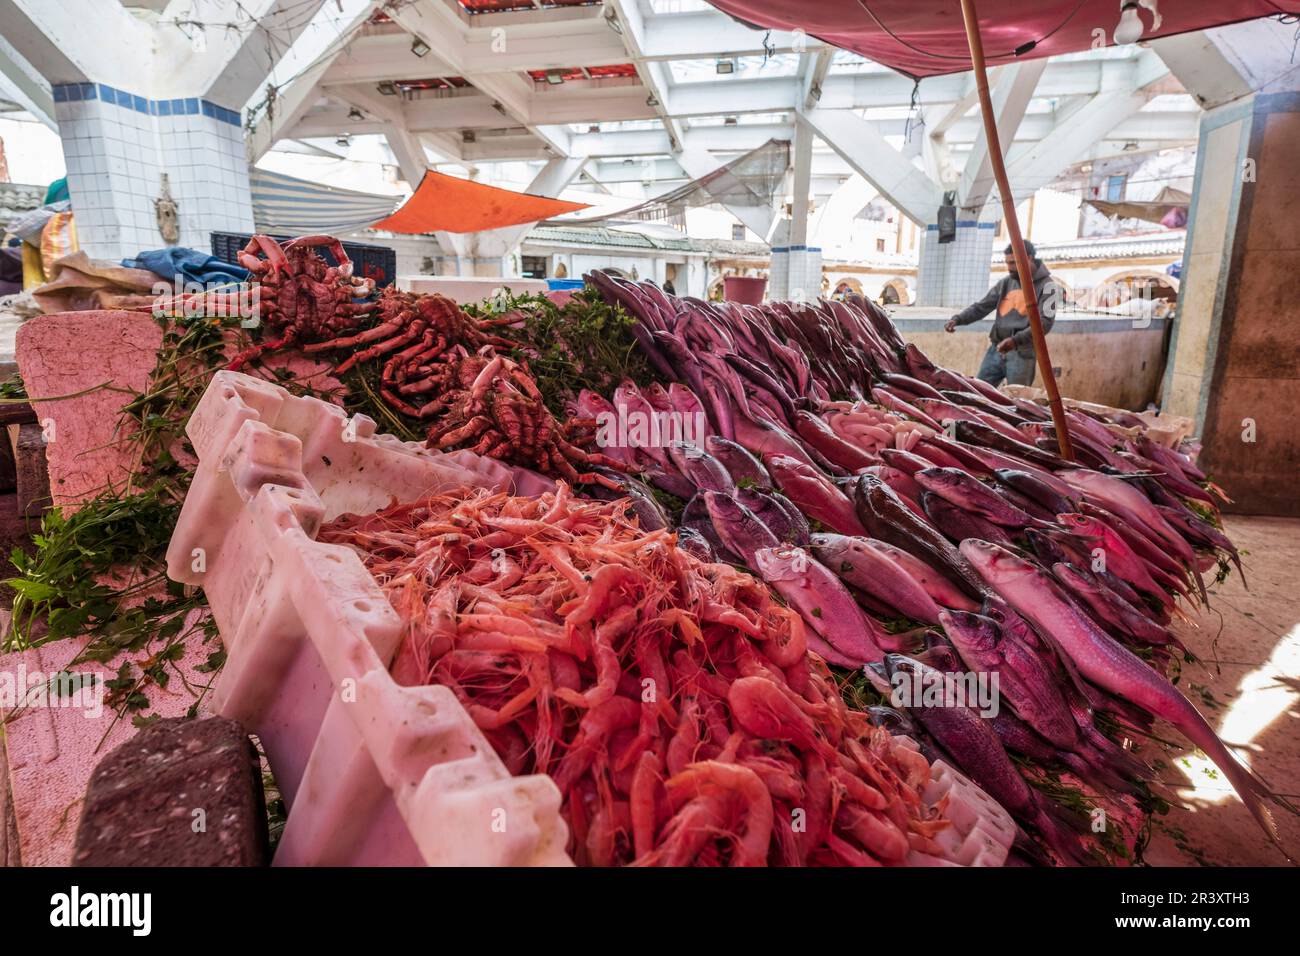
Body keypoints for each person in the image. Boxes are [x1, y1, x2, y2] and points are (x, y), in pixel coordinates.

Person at [944, 241, 1059, 387]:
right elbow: (982, 307)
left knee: (1017, 400)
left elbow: (1045, 323)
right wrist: (958, 319)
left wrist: (1015, 340)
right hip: (996, 348)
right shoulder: (1006, 282)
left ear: (1028, 258)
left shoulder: (1048, 287)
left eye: (1013, 263)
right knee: (979, 392)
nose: (1009, 268)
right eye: (1007, 263)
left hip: (1022, 353)